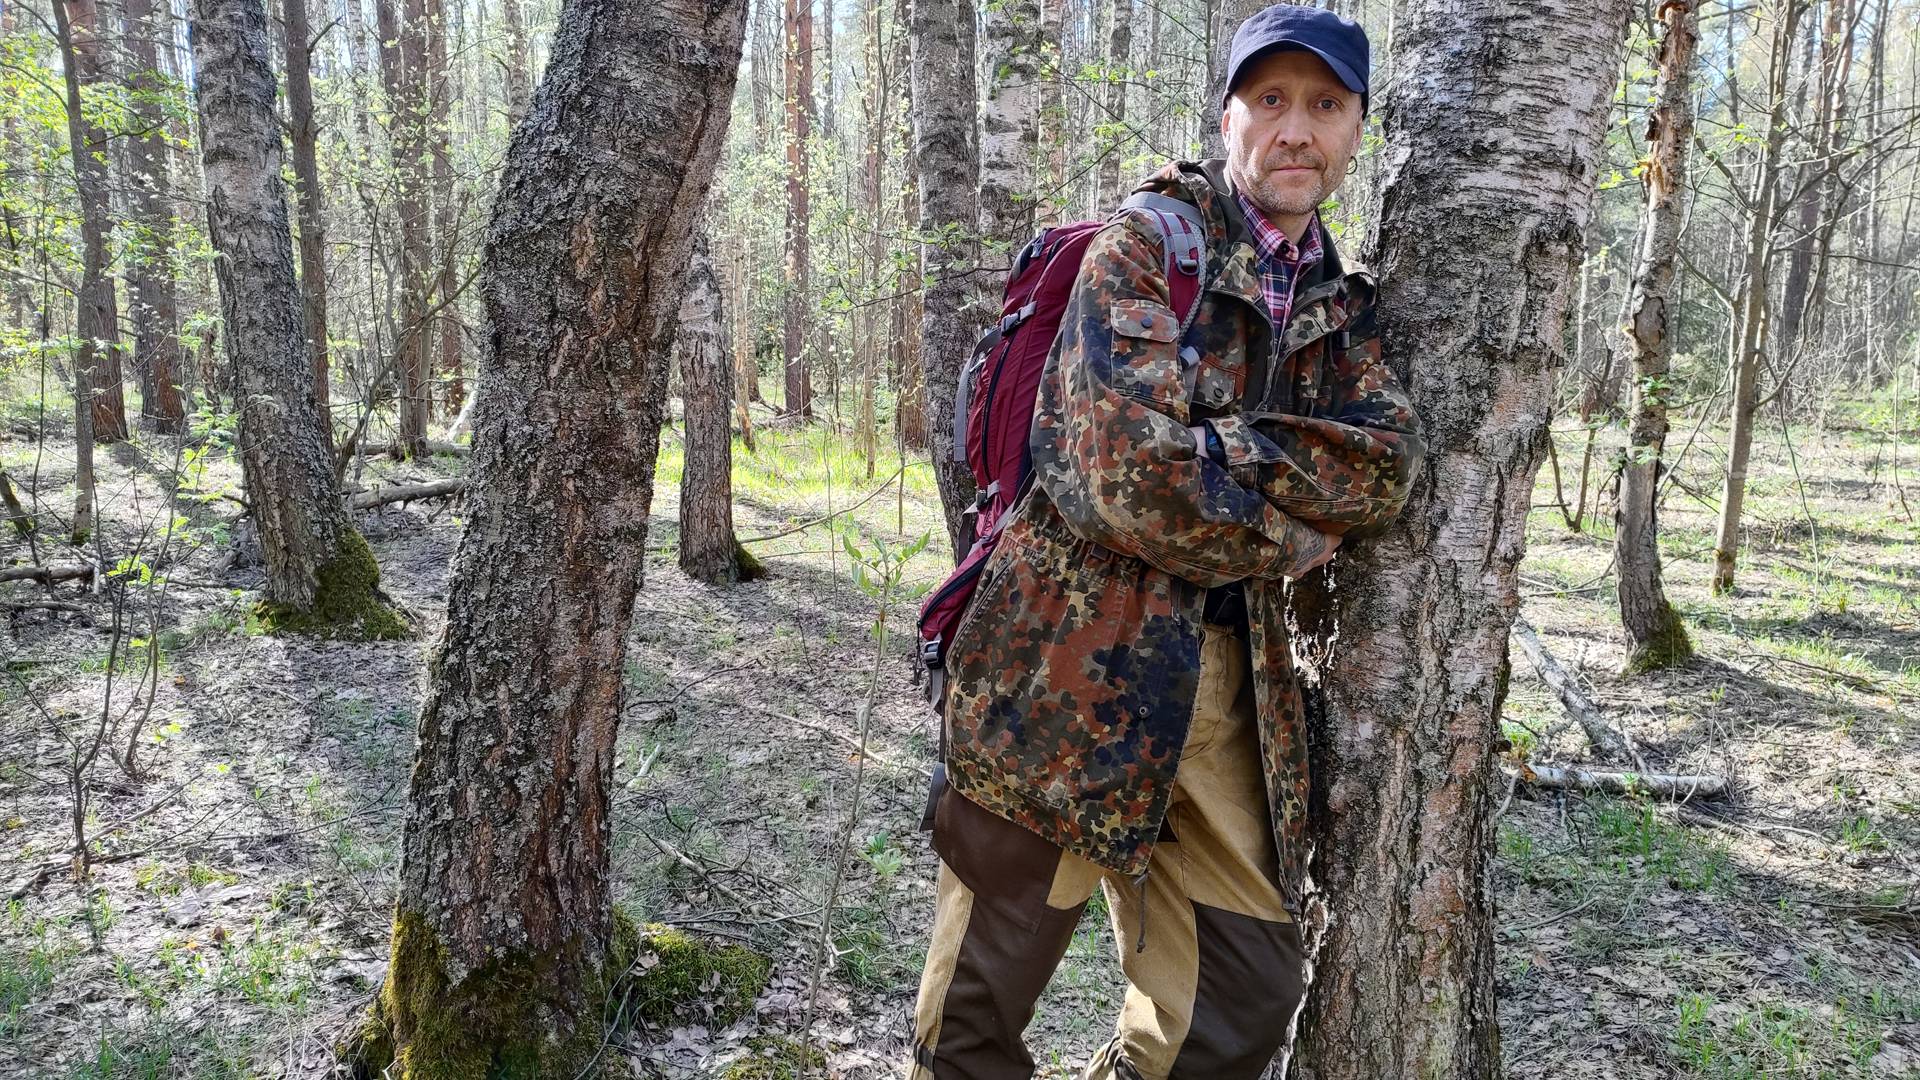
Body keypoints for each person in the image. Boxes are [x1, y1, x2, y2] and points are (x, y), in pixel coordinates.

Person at [906, 6, 1425, 1079]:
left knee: (1240, 1001)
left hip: (1228, 683)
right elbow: (1128, 481)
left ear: (1355, 128)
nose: (1296, 130)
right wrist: (1295, 531)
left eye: (1325, 105)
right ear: (1228, 116)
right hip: (1057, 673)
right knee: (975, 1019)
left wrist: (1214, 449)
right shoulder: (1147, 247)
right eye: (1270, 100)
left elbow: (1386, 463)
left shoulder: (1336, 302)